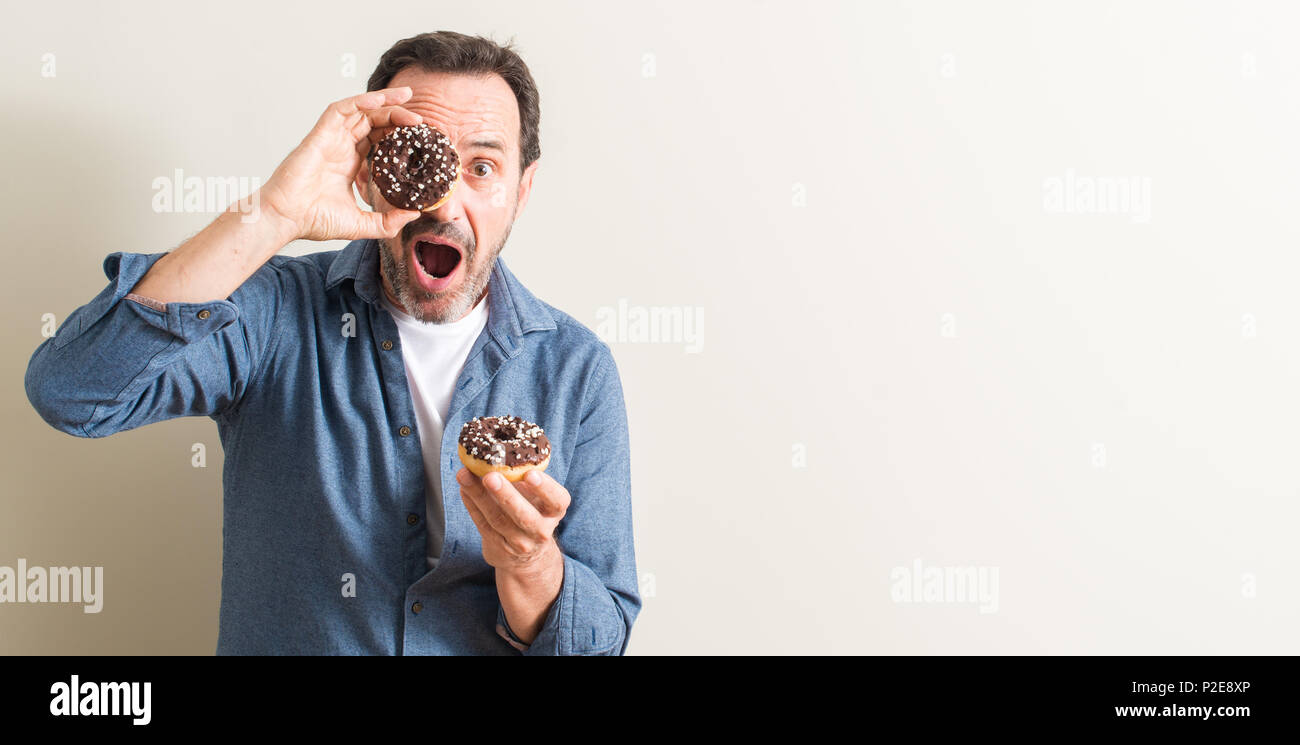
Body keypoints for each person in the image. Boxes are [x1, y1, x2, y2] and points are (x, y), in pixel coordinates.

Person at [24, 31, 640, 655]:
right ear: (371, 174)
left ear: (522, 191)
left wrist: (530, 565)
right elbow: (72, 392)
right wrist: (273, 215)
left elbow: (600, 644)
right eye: (419, 161)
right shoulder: (274, 314)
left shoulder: (575, 370)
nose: (444, 200)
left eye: (482, 167)